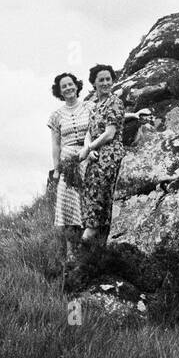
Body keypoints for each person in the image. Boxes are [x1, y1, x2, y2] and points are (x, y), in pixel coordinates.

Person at [77, 63, 125, 250]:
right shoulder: (96, 106)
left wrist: (88, 149)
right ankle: (90, 249)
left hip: (109, 157)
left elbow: (110, 133)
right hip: (96, 158)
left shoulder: (115, 102)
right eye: (101, 80)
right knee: (92, 199)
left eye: (108, 79)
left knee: (99, 203)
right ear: (94, 83)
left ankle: (87, 246)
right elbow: (90, 131)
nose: (106, 83)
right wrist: (90, 148)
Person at [47, 72, 89, 258]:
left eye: (71, 84)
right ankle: (71, 253)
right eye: (64, 86)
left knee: (87, 202)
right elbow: (56, 145)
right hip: (67, 161)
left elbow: (110, 119)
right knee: (68, 205)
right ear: (60, 91)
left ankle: (87, 249)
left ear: (76, 86)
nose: (68, 88)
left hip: (87, 156)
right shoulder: (56, 115)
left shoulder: (89, 107)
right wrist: (56, 169)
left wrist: (133, 114)